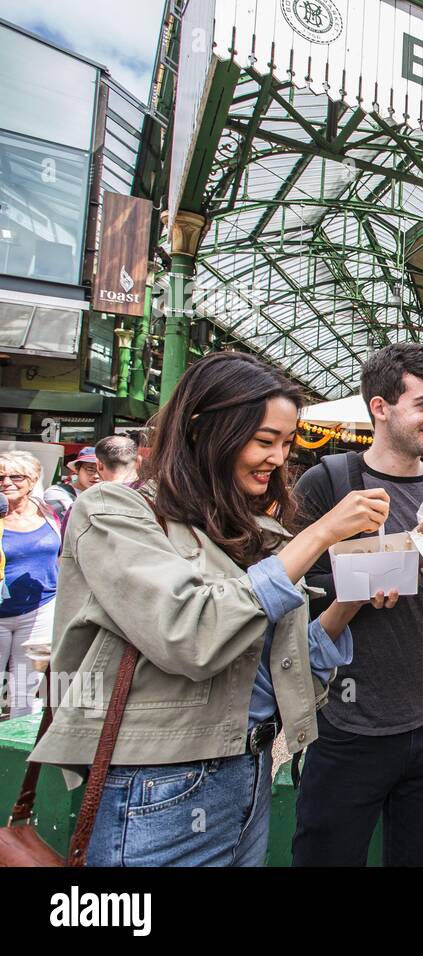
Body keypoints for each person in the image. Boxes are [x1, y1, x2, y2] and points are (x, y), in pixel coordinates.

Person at [28, 352, 392, 865]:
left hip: (250, 768)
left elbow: (275, 670)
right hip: (159, 784)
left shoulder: (251, 530)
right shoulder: (116, 512)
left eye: (286, 444)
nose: (278, 459)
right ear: (204, 429)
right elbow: (191, 634)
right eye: (265, 441)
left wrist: (346, 607)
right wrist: (320, 533)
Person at [291, 342, 423, 867]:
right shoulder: (331, 483)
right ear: (380, 408)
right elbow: (301, 599)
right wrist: (388, 560)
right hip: (349, 722)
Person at [0, 451, 62, 716]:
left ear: (33, 479)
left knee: (26, 688)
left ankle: (17, 753)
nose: (7, 482)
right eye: (0, 477)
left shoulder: (49, 512)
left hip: (40, 610)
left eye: (16, 476)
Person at [42, 446, 100, 528]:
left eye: (101, 470)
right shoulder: (57, 492)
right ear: (76, 469)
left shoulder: (106, 494)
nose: (96, 476)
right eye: (90, 470)